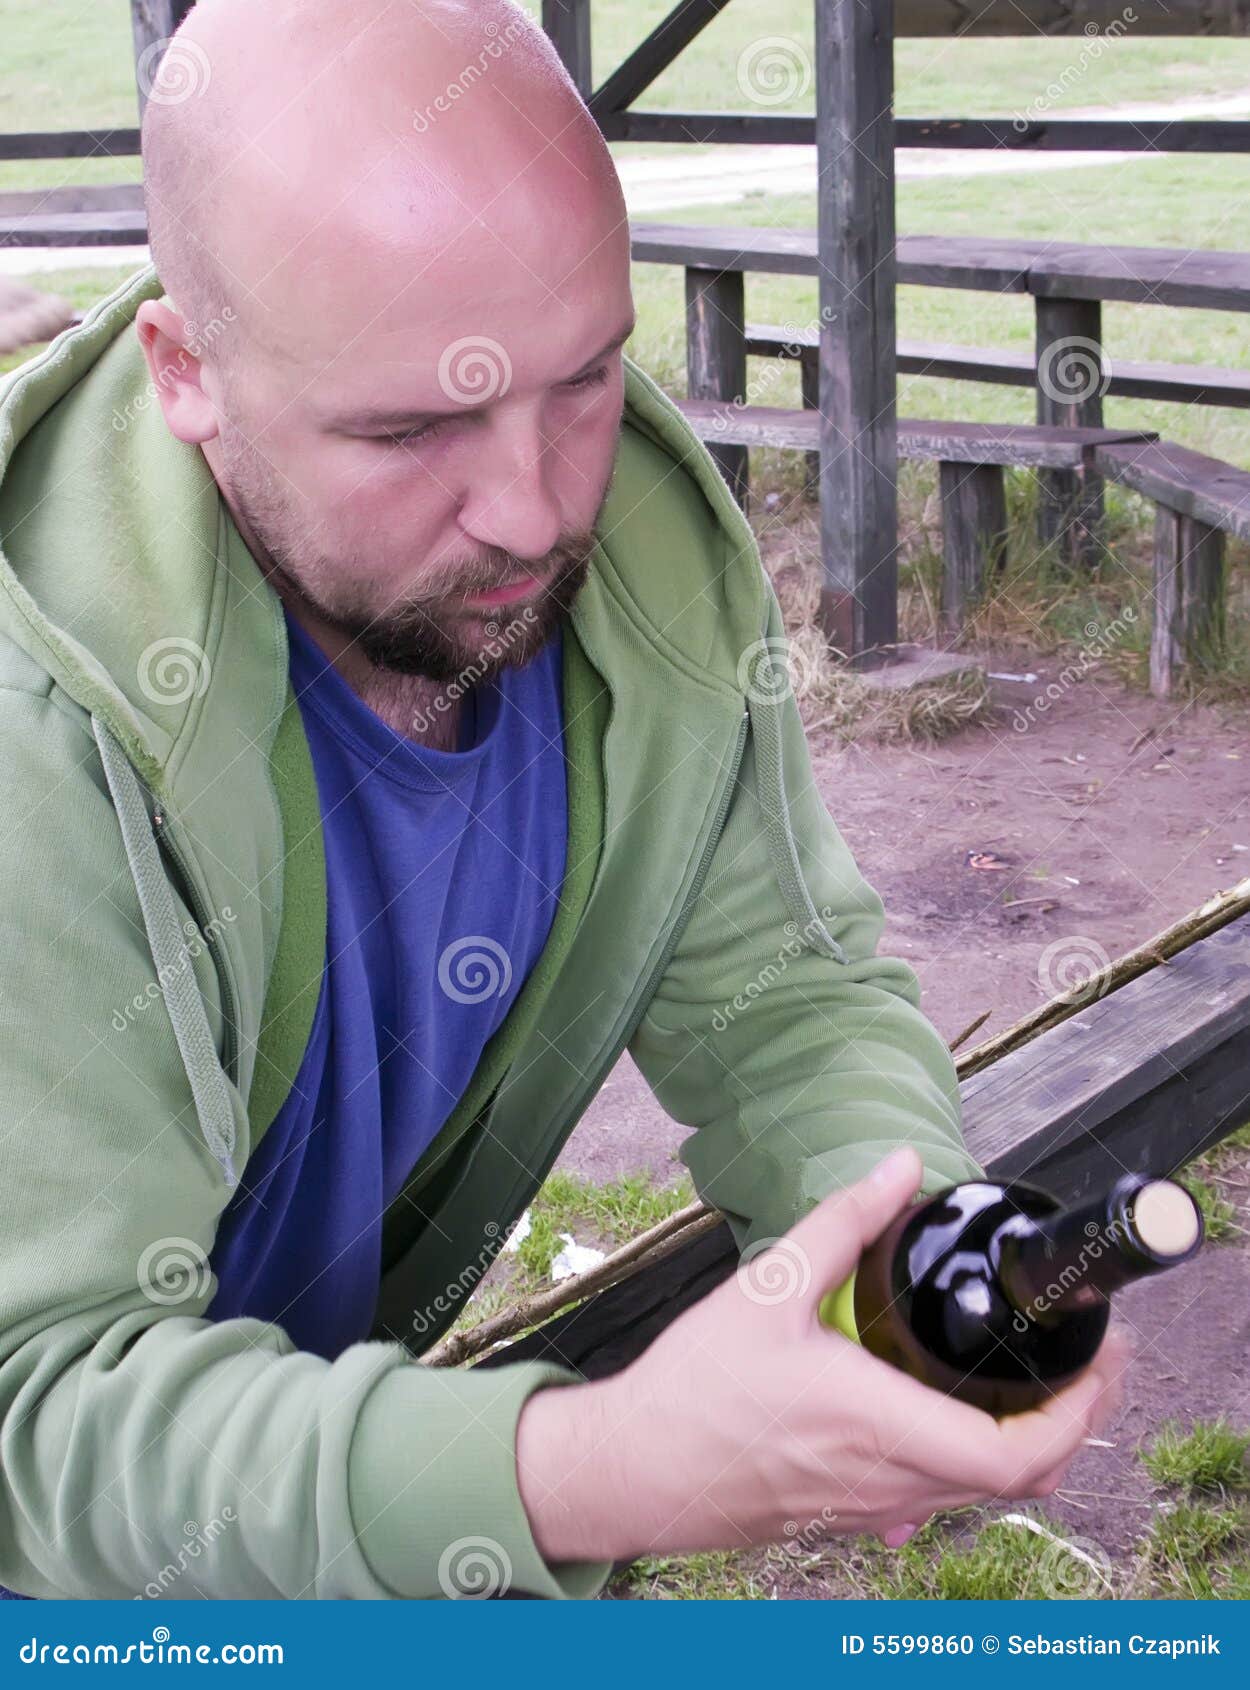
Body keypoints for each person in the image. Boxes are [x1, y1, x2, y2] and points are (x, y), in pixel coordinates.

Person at [0, 0, 1122, 1601]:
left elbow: (787, 1000)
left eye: (585, 378)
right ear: (187, 370)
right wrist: (586, 1469)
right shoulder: (32, 715)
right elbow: (36, 1425)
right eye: (413, 426)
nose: (535, 509)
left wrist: (898, 1255)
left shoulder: (649, 552)